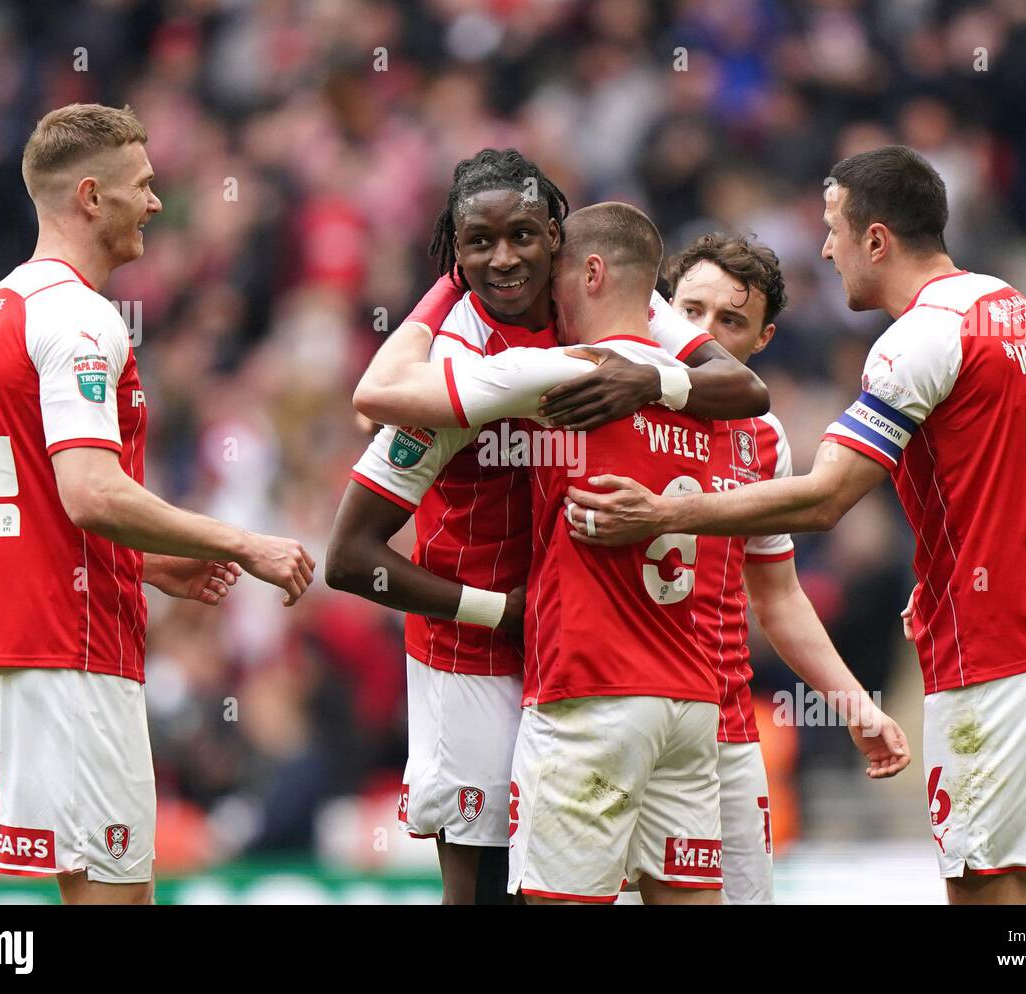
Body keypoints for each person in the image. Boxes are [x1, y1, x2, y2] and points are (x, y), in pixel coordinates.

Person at [563, 146, 1026, 906]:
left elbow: (824, 500)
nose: (826, 249)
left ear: (876, 240)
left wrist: (663, 513)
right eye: (692, 312)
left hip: (993, 652)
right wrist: (993, 557)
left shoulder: (915, 341)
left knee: (991, 891)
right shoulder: (1016, 309)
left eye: (834, 230)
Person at [327, 148, 768, 904]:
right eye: (478, 243)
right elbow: (349, 554)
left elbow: (743, 388)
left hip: (582, 651)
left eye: (523, 236)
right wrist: (502, 612)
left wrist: (651, 380)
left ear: (558, 237)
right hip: (473, 653)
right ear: (455, 251)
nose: (504, 260)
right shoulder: (457, 354)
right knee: (490, 889)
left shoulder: (615, 318)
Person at [0, 103, 314, 905]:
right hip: (75, 647)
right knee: (116, 896)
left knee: (109, 892)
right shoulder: (79, 318)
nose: (155, 202)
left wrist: (145, 562)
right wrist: (240, 541)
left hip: (21, 647)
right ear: (91, 196)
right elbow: (90, 490)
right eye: (142, 185)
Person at [660, 232, 908, 904]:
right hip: (615, 712)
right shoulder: (609, 405)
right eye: (691, 310)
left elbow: (778, 596)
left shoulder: (762, 438)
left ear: (762, 339)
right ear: (663, 308)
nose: (704, 332)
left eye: (730, 320)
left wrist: (855, 705)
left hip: (722, 721)